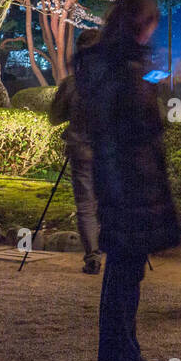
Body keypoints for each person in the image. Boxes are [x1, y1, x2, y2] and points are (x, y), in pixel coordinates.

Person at [74, 0, 181, 361]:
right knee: (126, 270)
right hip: (132, 179)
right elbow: (141, 123)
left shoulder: (100, 63)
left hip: (112, 175)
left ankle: (120, 353)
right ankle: (122, 358)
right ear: (142, 26)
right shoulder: (127, 67)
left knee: (122, 268)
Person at [49, 29, 103, 275]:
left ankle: (92, 255)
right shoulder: (114, 82)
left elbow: (54, 117)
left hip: (80, 149)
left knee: (86, 205)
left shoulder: (72, 84)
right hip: (109, 152)